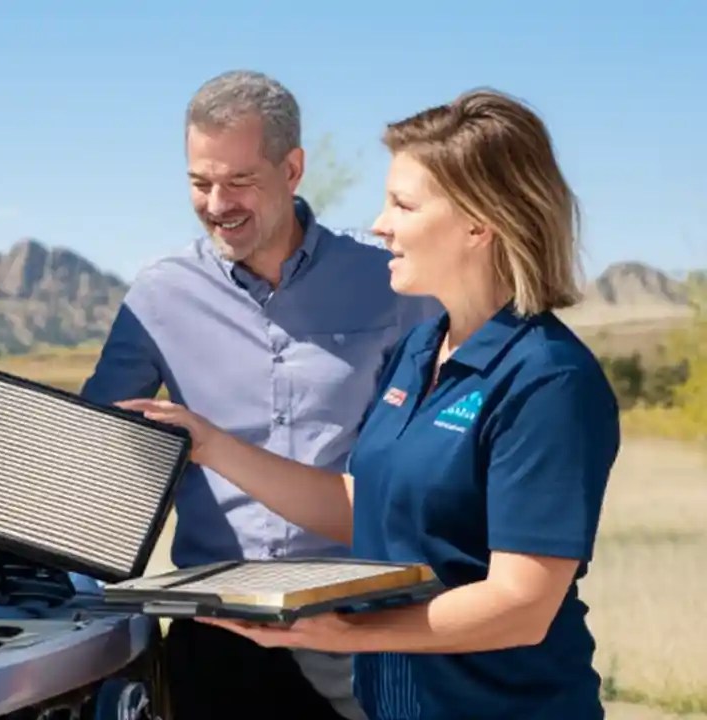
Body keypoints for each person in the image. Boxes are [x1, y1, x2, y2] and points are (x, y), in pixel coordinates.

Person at [116, 87, 620, 720]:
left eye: (403, 204)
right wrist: (213, 445)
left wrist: (348, 635)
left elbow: (521, 603)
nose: (379, 225)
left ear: (478, 222)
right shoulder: (420, 350)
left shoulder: (548, 380)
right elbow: (362, 505)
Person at [79, 70, 437, 720]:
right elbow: (99, 441)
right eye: (200, 182)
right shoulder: (159, 296)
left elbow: (433, 448)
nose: (217, 203)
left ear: (293, 168)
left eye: (239, 181)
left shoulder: (389, 281)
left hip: (360, 624)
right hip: (215, 633)